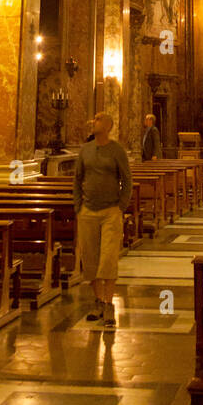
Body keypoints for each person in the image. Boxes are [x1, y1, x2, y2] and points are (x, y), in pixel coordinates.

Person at [73, 111, 131, 330]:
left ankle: (108, 304)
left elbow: (127, 179)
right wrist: (78, 206)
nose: (93, 121)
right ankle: (97, 302)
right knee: (91, 258)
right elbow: (77, 179)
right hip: (87, 211)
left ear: (107, 125)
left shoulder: (117, 151)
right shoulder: (85, 150)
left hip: (110, 211)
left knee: (108, 258)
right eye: (93, 118)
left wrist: (121, 206)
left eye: (97, 119)